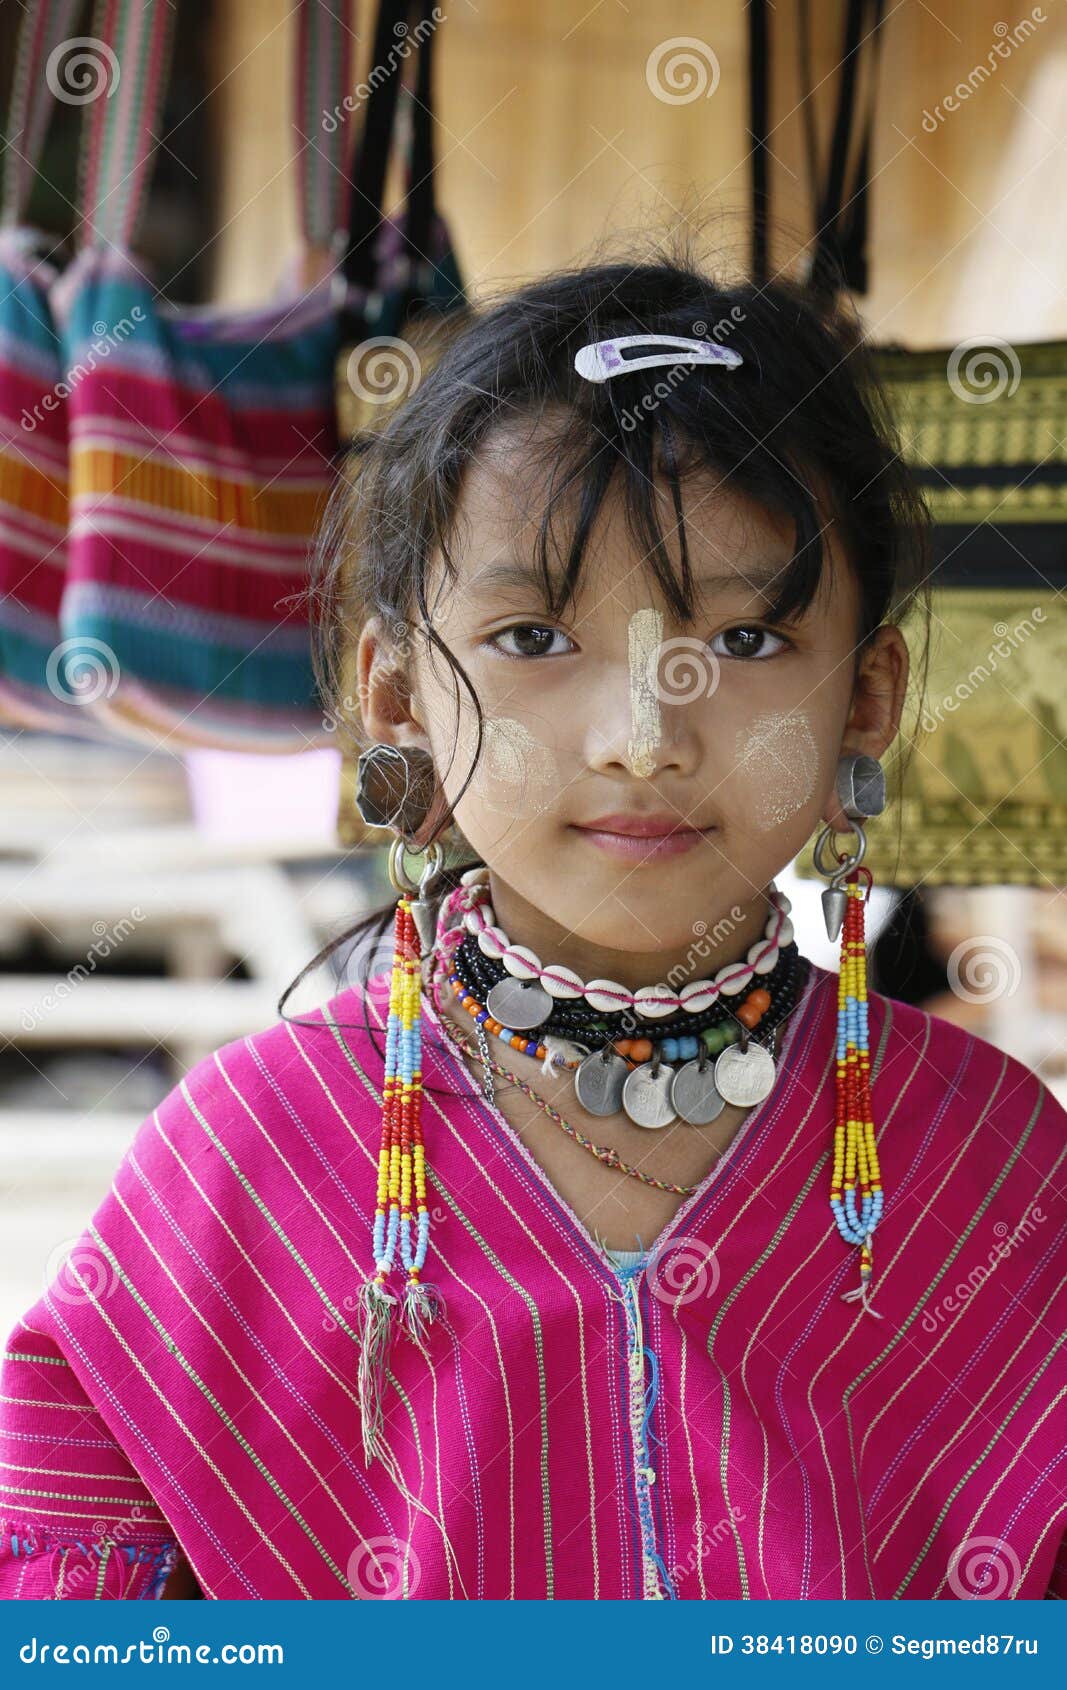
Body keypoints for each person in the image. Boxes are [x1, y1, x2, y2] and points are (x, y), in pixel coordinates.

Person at [1, 250, 1063, 1601]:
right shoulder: (242, 1166)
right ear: (394, 695)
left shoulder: (996, 1172)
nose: (641, 740)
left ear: (868, 694)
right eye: (533, 638)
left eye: (742, 644)